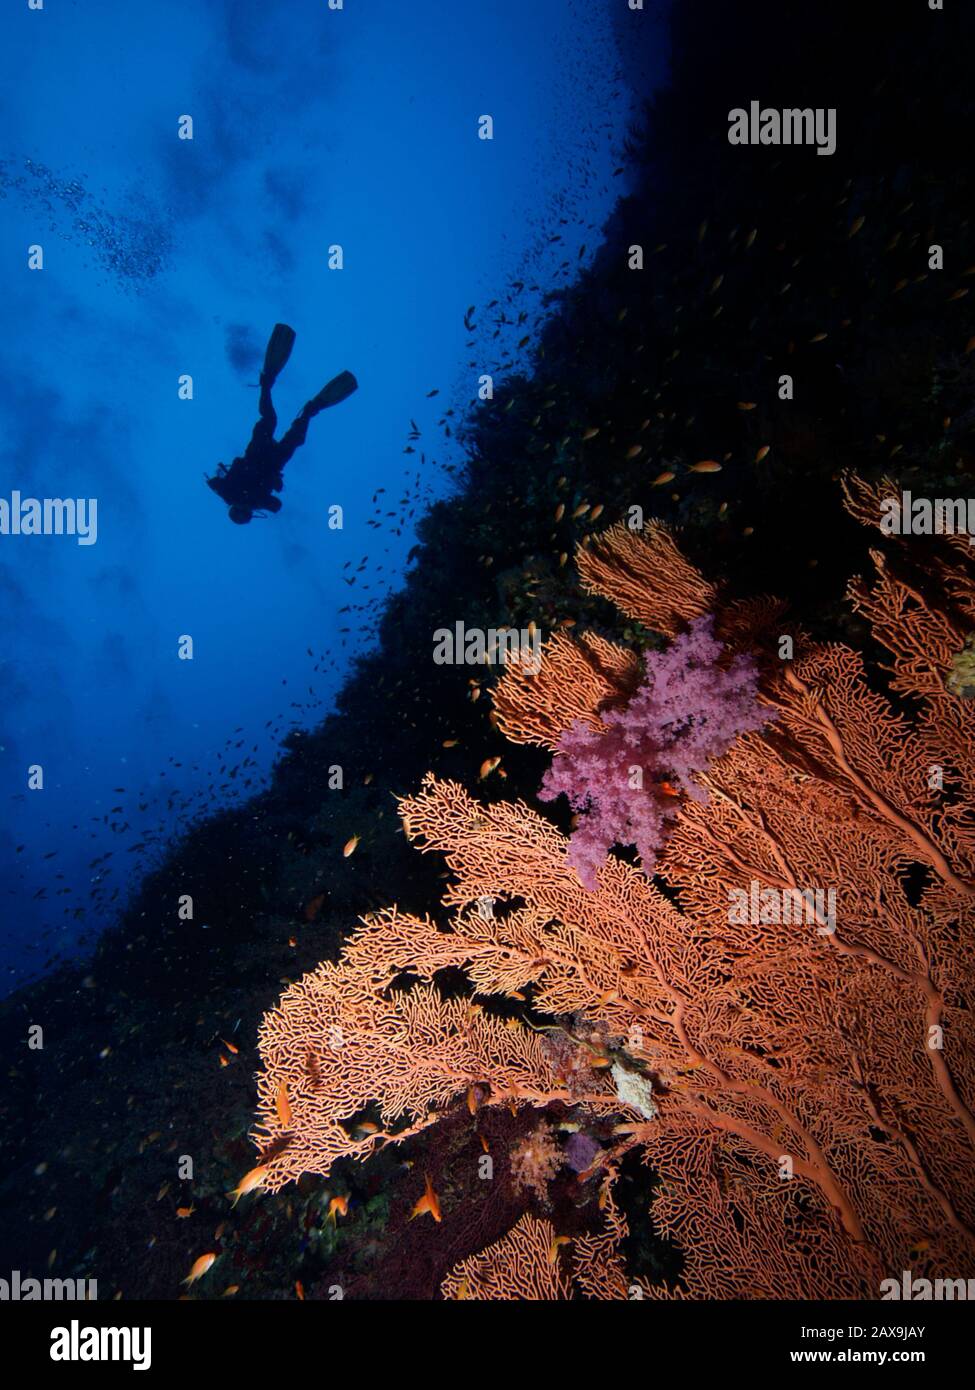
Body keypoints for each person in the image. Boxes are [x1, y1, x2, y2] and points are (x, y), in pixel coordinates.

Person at [206, 324, 357, 524]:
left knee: (292, 435)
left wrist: (261, 496)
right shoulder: (229, 494)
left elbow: (276, 505)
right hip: (258, 454)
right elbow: (214, 482)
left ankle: (311, 408)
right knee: (270, 420)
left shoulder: (249, 500)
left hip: (271, 460)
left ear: (246, 514)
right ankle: (268, 383)